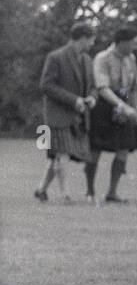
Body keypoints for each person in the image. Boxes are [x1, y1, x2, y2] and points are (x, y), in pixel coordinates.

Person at [35, 21, 95, 205]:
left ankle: (41, 190)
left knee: (59, 155)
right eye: (91, 40)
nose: (92, 44)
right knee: (62, 154)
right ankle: (65, 194)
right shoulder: (56, 57)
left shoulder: (87, 60)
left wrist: (92, 97)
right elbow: (46, 85)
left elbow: (92, 86)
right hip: (56, 115)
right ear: (83, 38)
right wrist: (73, 100)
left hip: (77, 117)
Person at [87, 27, 137, 204]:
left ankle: (112, 192)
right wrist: (122, 106)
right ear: (122, 42)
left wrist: (136, 109)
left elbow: (134, 87)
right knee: (96, 149)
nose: (136, 47)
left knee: (124, 149)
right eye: (133, 43)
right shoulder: (102, 58)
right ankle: (90, 191)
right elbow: (102, 88)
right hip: (105, 105)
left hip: (124, 103)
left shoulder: (131, 59)